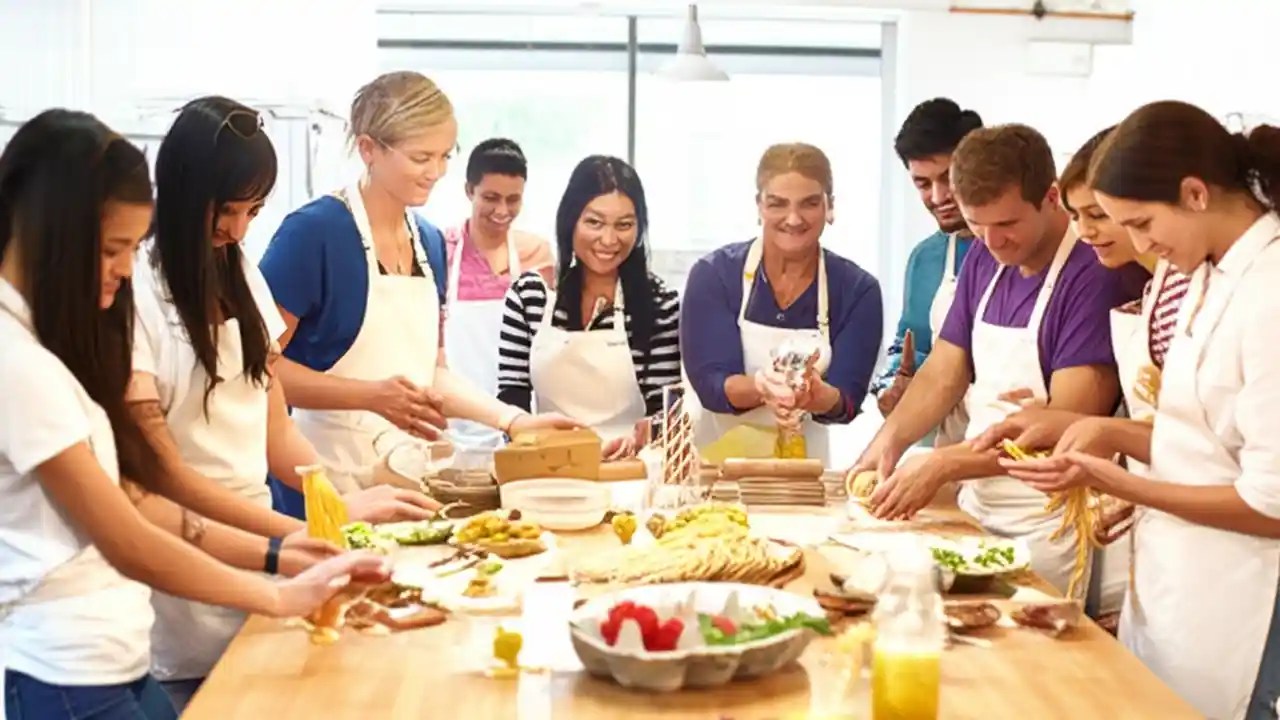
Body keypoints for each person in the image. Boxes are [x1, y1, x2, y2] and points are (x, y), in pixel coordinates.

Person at [0, 110, 388, 720]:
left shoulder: (40, 345)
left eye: (252, 212)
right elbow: (135, 526)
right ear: (53, 231)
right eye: (110, 249)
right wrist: (278, 584)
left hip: (119, 648)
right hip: (77, 659)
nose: (123, 270)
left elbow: (139, 497)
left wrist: (290, 544)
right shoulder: (19, 360)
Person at [128, 96, 434, 709]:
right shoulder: (136, 289)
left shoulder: (239, 267)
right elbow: (163, 478)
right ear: (183, 192)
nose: (239, 229)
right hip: (187, 562)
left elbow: (274, 434)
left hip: (264, 552)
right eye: (227, 210)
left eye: (254, 210)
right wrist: (295, 536)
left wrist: (339, 507)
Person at [1000, 101, 1280, 720]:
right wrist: (1099, 430)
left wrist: (1116, 480)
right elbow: (1201, 442)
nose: (1138, 243)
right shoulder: (1209, 275)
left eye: (1142, 222)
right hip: (1178, 585)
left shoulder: (1270, 293)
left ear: (1195, 193)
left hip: (1244, 602)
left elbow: (1271, 505)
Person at [260, 72, 573, 518]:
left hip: (402, 481)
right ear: (369, 149)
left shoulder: (427, 243)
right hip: (320, 481)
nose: (437, 172)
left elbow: (432, 375)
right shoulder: (313, 234)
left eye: (445, 155)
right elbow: (256, 370)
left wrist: (513, 421)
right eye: (420, 156)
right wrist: (369, 395)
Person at [851, 124, 1142, 602]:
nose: (992, 243)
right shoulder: (984, 259)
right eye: (976, 226)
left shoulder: (1094, 274)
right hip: (979, 504)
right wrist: (885, 447)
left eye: (1007, 225)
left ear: (1051, 198)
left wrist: (943, 464)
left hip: (1051, 519)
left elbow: (1063, 428)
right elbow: (945, 370)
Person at [968, 125, 1169, 625]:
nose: (1085, 231)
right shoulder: (1158, 285)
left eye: (1100, 215)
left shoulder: (1112, 276)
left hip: (1109, 510)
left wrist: (1102, 436)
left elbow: (1205, 438)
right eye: (1080, 216)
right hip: (1137, 505)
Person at [680, 143, 883, 466]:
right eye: (777, 204)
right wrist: (762, 387)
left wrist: (816, 397)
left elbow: (847, 401)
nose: (793, 219)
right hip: (716, 472)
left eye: (810, 204)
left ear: (830, 206)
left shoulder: (857, 289)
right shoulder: (715, 275)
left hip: (804, 472)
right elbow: (710, 384)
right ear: (758, 205)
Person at [498, 155, 679, 458]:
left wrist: (651, 431)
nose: (608, 240)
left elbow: (667, 407)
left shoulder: (660, 303)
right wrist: (527, 444)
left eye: (624, 225)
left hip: (630, 470)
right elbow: (510, 396)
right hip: (547, 464)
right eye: (594, 222)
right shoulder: (529, 295)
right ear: (570, 221)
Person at [871, 99, 982, 446]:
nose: (939, 197)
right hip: (939, 444)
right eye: (922, 183)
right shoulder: (927, 259)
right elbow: (908, 344)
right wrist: (892, 384)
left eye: (947, 179)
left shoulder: (1021, 253)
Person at [443, 138, 555, 455]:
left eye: (513, 199)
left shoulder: (537, 254)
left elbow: (545, 343)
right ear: (469, 191)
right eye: (490, 198)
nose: (502, 211)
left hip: (521, 419)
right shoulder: (443, 249)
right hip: (454, 422)